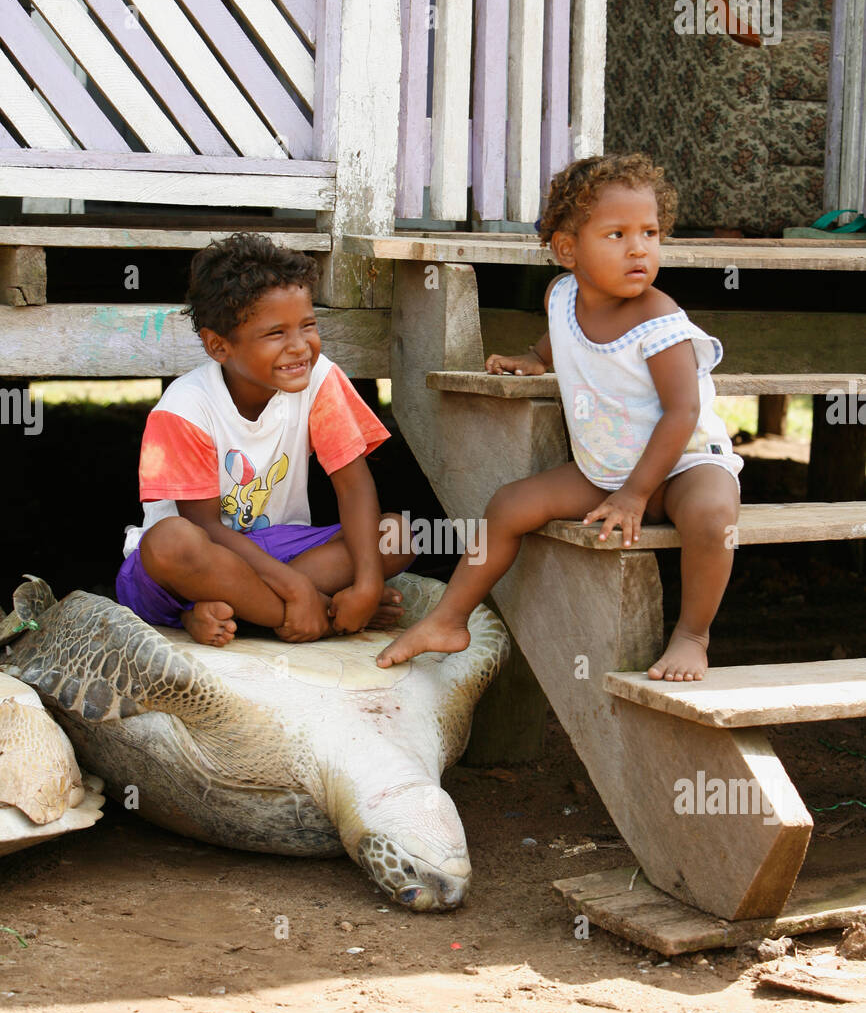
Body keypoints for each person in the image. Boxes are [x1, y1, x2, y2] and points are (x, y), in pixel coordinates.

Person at [377, 152, 742, 682]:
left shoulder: (660, 322)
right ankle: (449, 619)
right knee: (507, 506)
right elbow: (561, 332)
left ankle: (691, 635)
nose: (639, 247)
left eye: (651, 232)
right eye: (617, 235)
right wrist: (536, 359)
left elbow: (682, 411)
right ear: (568, 250)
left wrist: (637, 494)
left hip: (684, 465)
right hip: (606, 469)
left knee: (713, 519)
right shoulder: (563, 295)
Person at [117, 233, 414, 646]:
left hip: (278, 549)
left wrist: (365, 584)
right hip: (187, 566)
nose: (299, 347)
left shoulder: (320, 379)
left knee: (395, 535)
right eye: (276, 333)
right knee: (171, 541)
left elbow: (354, 485)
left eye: (307, 325)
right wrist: (298, 591)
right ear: (219, 345)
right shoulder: (184, 408)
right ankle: (315, 615)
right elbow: (203, 527)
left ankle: (229, 611)